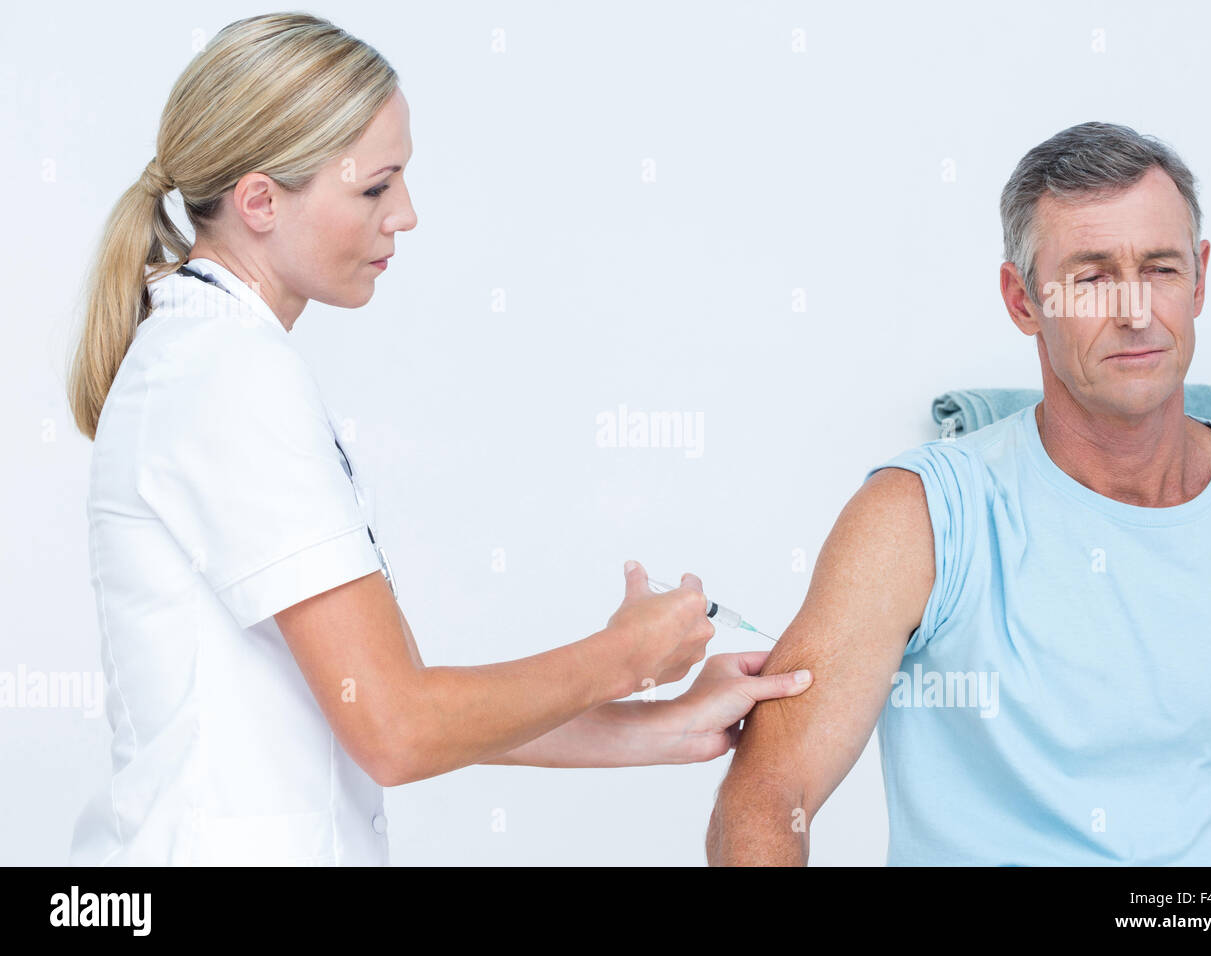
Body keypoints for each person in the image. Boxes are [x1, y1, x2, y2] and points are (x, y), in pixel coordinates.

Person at [65, 12, 811, 866]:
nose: (407, 215)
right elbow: (397, 729)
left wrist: (660, 724)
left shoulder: (220, 359)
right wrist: (624, 656)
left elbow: (394, 703)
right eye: (376, 187)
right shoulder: (228, 375)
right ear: (261, 200)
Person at [707, 121, 1211, 866]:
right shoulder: (920, 518)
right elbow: (764, 798)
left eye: (1160, 269)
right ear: (1022, 300)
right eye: (1090, 277)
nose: (1136, 311)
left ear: (1201, 278)